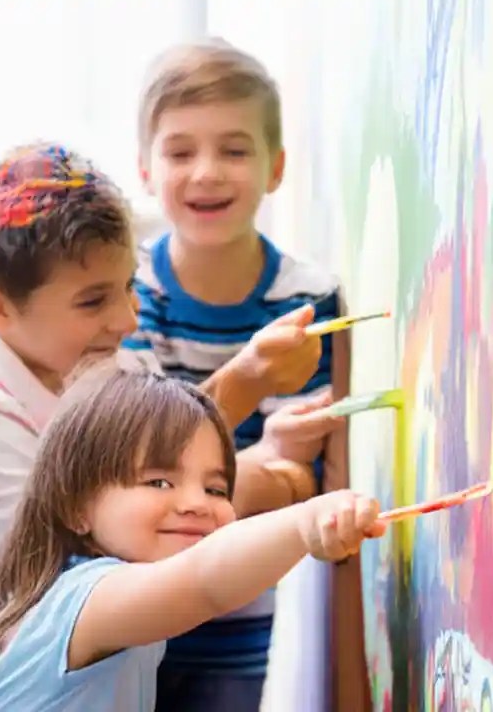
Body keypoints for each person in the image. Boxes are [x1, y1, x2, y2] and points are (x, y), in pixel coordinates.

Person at [0, 143, 325, 711]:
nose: (126, 318)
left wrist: (252, 383)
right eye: (93, 301)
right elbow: (93, 538)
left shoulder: (101, 357)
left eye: (128, 287)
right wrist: (269, 480)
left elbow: (151, 455)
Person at [0, 369, 384, 711]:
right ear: (77, 507)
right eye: (159, 482)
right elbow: (204, 582)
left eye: (216, 489)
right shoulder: (91, 596)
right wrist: (306, 523)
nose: (197, 504)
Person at [123, 38, 348, 707]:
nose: (206, 173)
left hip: (241, 627)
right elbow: (137, 463)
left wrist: (275, 477)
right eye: (180, 151)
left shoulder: (309, 304)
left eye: (235, 149)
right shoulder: (128, 293)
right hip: (132, 613)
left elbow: (308, 480)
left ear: (275, 167)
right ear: (144, 169)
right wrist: (263, 470)